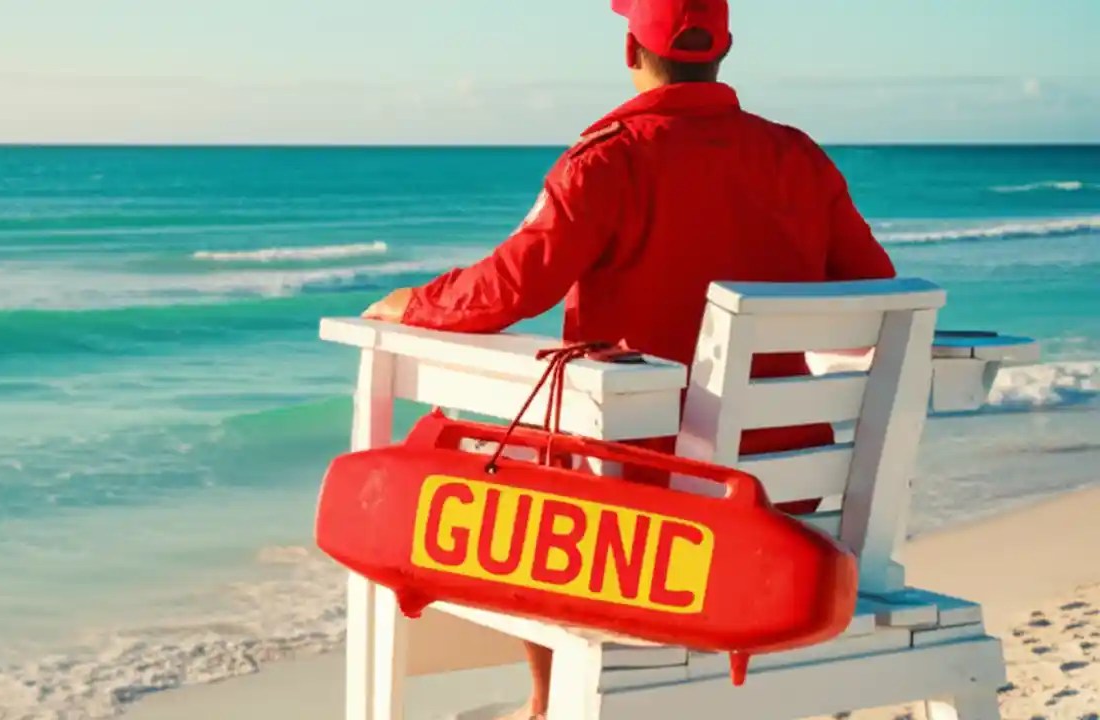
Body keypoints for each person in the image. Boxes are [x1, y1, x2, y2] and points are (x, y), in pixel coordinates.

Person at [363, 1, 895, 717]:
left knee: (525, 480)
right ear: (725, 47)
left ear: (629, 52)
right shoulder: (795, 156)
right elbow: (872, 310)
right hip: (781, 492)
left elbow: (512, 288)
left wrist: (414, 302)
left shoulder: (611, 157)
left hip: (643, 509)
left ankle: (545, 704)